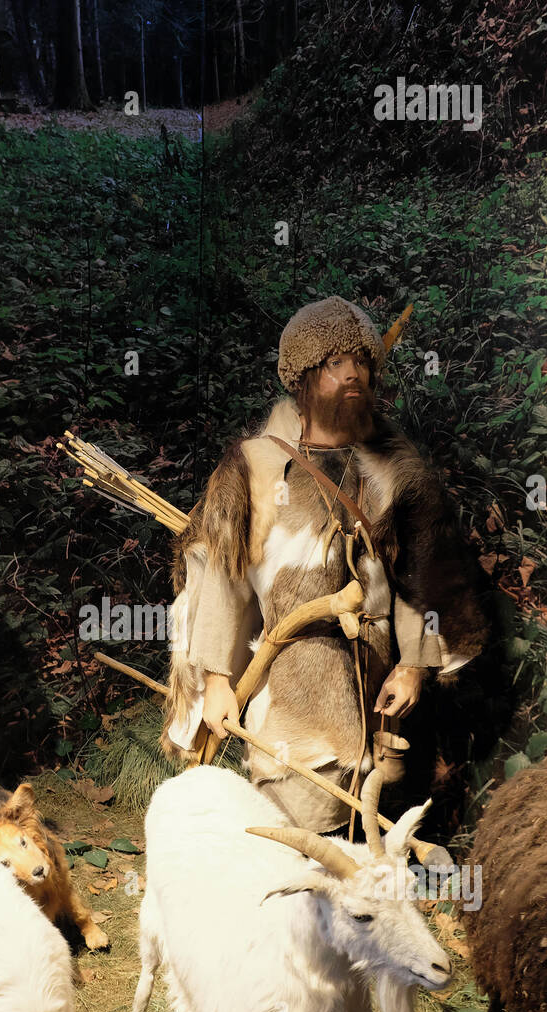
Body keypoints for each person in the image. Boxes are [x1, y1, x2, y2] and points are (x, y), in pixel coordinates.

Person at [161, 296, 486, 831]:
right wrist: (218, 680)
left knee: (364, 818)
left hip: (372, 684)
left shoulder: (391, 468)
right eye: (335, 364)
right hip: (291, 679)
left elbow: (416, 579)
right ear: (303, 378)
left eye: (360, 362)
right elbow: (222, 577)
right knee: (292, 820)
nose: (352, 374)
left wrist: (412, 668)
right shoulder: (256, 464)